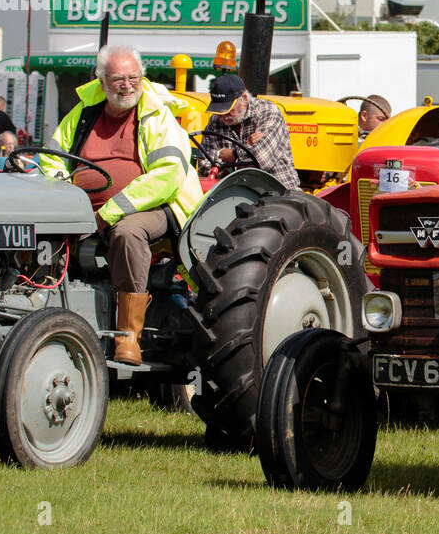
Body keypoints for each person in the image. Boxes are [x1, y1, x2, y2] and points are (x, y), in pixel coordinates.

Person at [37, 46, 203, 366]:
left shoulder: (156, 115)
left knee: (127, 233)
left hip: (155, 206)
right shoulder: (83, 114)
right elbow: (50, 156)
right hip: (84, 211)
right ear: (101, 81)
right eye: (117, 79)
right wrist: (63, 195)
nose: (127, 85)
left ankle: (128, 336)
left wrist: (111, 210)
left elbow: (168, 176)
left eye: (133, 77)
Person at [200, 74, 300, 189]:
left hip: (277, 192)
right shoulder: (215, 121)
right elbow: (204, 166)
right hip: (233, 193)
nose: (222, 115)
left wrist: (226, 156)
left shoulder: (268, 111)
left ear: (244, 98)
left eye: (228, 109)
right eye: (219, 110)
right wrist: (245, 147)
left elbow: (261, 159)